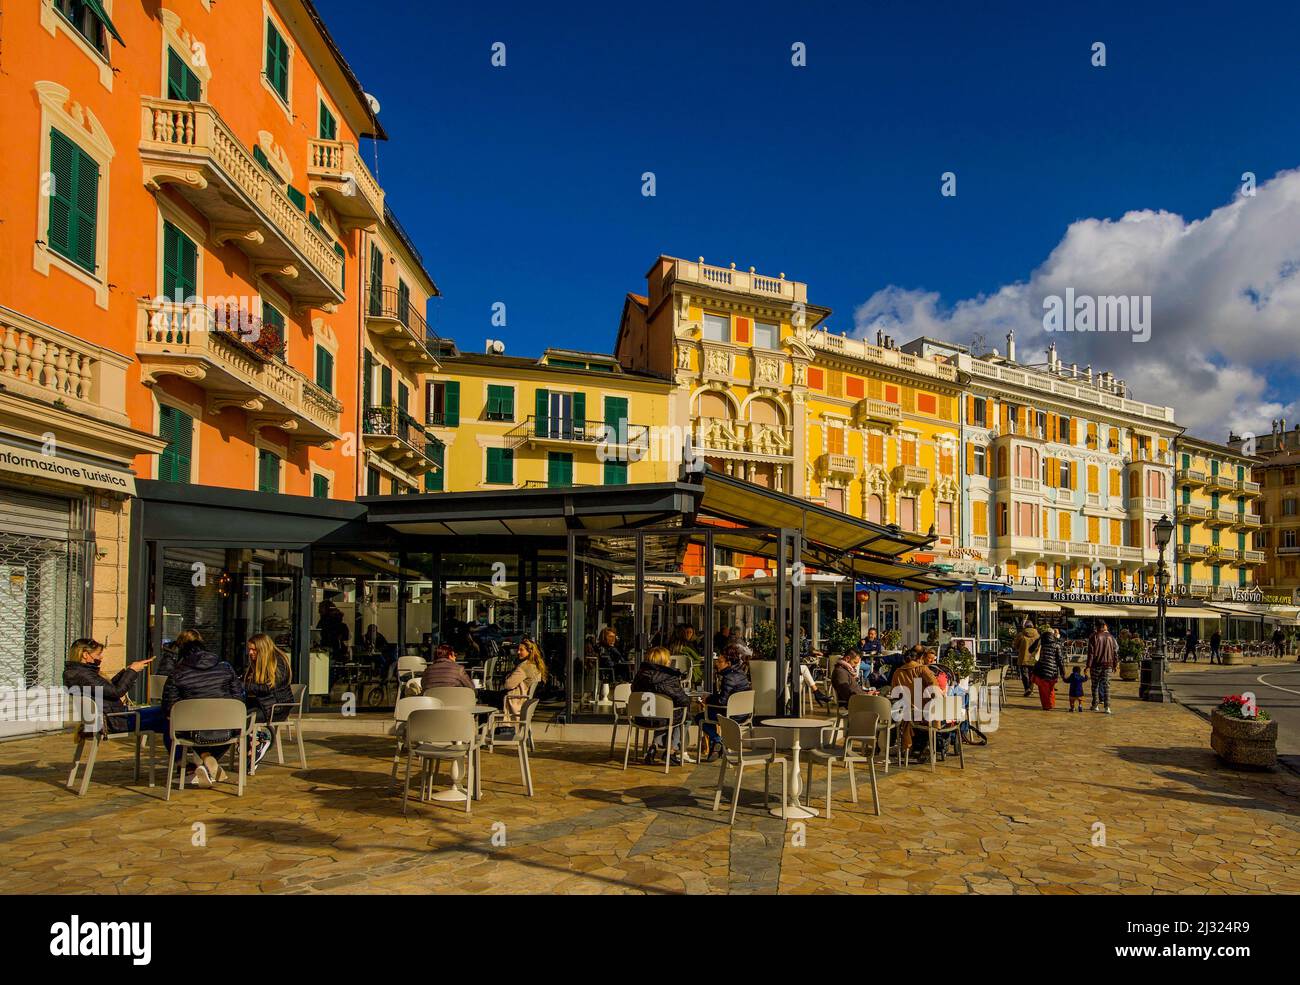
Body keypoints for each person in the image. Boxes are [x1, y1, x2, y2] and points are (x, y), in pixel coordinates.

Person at [161, 633, 244, 786]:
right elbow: (238, 698)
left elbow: (169, 707)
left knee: (170, 724)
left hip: (192, 730)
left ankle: (192, 764)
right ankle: (208, 760)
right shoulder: (226, 668)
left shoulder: (177, 673)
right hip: (227, 729)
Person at [62, 638, 160, 735]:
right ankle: (173, 749)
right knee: (165, 714)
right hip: (115, 721)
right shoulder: (84, 675)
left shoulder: (76, 673)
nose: (101, 657)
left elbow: (106, 689)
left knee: (164, 714)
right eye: (98, 654)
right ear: (85, 655)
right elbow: (117, 692)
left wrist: (126, 672)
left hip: (112, 717)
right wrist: (132, 671)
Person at [630, 646, 690, 766]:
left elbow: (633, 691)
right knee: (684, 717)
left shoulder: (639, 675)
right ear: (664, 661)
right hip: (662, 719)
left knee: (662, 714)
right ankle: (671, 751)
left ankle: (653, 747)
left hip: (641, 718)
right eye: (668, 659)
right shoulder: (670, 678)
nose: (669, 661)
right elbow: (683, 700)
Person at [242, 633, 293, 774]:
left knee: (242, 719)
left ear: (263, 649)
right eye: (249, 649)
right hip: (262, 704)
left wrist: (244, 686)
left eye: (254, 650)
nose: (250, 652)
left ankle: (258, 743)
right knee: (235, 715)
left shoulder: (278, 662)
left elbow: (268, 687)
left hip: (277, 707)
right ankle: (254, 745)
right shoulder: (256, 661)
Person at [697, 644, 751, 761]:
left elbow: (722, 701)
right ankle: (715, 746)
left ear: (728, 663)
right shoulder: (742, 674)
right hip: (744, 714)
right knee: (709, 711)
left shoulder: (728, 677)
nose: (717, 664)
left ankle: (717, 741)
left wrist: (708, 699)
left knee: (700, 717)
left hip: (731, 716)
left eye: (720, 661)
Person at [890, 648, 938, 762]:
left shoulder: (897, 672)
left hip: (906, 712)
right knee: (939, 716)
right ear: (919, 658)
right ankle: (929, 746)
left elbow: (894, 693)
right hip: (923, 711)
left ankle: (910, 748)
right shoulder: (921, 669)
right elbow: (934, 685)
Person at [1086, 620, 1119, 714]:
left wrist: (1088, 666)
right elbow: (1115, 652)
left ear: (1096, 627)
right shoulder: (1111, 637)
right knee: (1106, 686)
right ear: (1104, 626)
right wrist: (1115, 664)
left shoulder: (1094, 636)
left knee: (1095, 685)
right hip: (1108, 664)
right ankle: (1107, 707)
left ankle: (1095, 705)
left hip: (1096, 664)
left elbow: (1091, 653)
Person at [1031, 628, 1066, 711]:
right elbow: (1060, 660)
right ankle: (1051, 704)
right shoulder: (1057, 644)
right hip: (1052, 671)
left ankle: (1046, 705)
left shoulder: (1041, 644)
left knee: (1043, 690)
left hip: (1041, 670)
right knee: (1051, 689)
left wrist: (1039, 639)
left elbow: (1030, 650)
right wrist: (1062, 672)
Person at [1013, 618, 1041, 697]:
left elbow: (1015, 645)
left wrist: (1021, 648)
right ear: (1032, 626)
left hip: (1023, 658)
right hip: (1033, 658)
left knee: (1024, 674)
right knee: (1032, 674)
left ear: (1025, 626)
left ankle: (1027, 689)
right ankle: (1031, 689)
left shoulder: (1021, 634)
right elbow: (1039, 646)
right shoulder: (1037, 635)